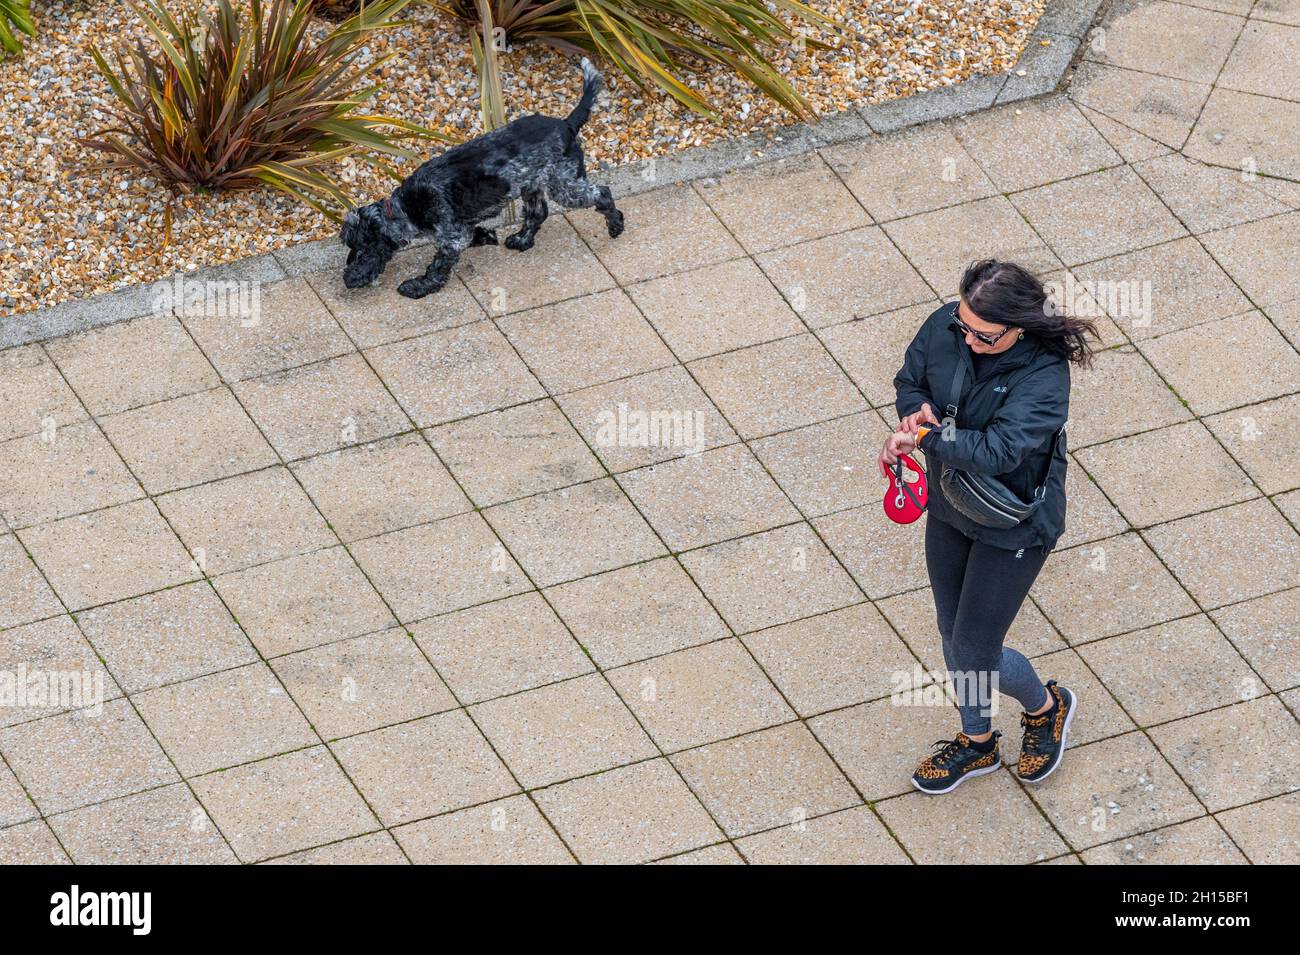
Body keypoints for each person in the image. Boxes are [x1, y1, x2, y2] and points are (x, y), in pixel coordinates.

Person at [881, 260, 1099, 795]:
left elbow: (1001, 451)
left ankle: (1046, 708)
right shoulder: (948, 325)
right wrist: (917, 410)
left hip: (1015, 521)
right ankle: (977, 743)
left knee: (977, 650)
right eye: (965, 328)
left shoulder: (1045, 377)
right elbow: (909, 380)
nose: (971, 340)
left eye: (985, 335)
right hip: (952, 503)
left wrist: (927, 440)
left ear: (1019, 327)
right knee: (952, 634)